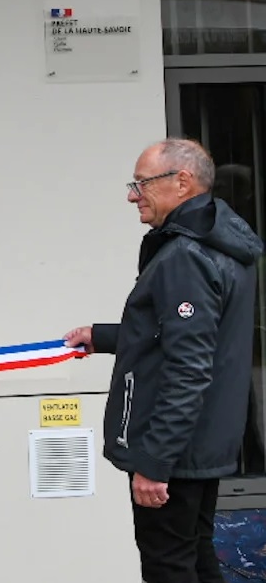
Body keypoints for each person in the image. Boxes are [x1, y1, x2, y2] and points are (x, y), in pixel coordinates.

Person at [66, 139, 262, 583]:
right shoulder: (220, 243)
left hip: (174, 449)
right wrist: (102, 337)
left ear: (182, 182)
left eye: (141, 183)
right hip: (203, 442)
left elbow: (188, 367)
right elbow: (192, 335)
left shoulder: (184, 256)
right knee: (194, 555)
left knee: (169, 566)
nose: (132, 195)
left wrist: (155, 463)